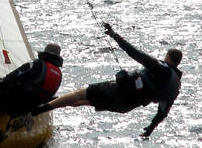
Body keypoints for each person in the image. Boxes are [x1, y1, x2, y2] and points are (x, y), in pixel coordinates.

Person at [43, 23, 181, 138]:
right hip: (125, 106)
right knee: (83, 102)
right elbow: (162, 112)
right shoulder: (174, 86)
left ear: (168, 58)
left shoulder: (162, 68)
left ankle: (40, 109)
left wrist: (114, 35)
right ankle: (51, 104)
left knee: (79, 94)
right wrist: (150, 129)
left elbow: (134, 53)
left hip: (118, 92)